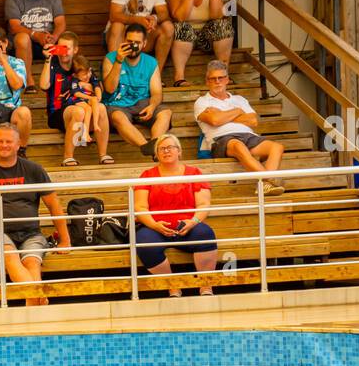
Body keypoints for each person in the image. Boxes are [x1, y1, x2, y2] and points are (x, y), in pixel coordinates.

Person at [0, 122, 70, 306]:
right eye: (0, 141)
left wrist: (65, 240)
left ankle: (33, 307)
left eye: (9, 141)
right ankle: (37, 295)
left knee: (32, 262)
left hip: (31, 233)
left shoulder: (34, 170)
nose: (4, 145)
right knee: (10, 254)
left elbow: (53, 205)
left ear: (18, 144)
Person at [134, 133, 218, 296]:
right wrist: (154, 225)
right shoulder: (148, 175)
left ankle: (205, 284)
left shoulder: (194, 173)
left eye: (170, 147)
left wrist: (193, 222)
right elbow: (140, 206)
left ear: (179, 151)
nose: (166, 151)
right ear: (156, 154)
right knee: (144, 244)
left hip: (188, 225)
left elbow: (203, 204)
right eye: (161, 149)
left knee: (205, 234)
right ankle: (172, 285)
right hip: (156, 227)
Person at [194, 61, 285, 193]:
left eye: (221, 78)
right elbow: (214, 120)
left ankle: (266, 185)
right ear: (207, 81)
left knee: (277, 147)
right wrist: (238, 111)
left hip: (248, 136)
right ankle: (269, 180)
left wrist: (222, 114)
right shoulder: (202, 101)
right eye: (213, 79)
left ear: (227, 80)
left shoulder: (239, 100)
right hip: (221, 140)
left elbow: (253, 121)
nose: (217, 81)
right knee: (238, 146)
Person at [102, 22, 173, 157]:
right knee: (117, 116)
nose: (133, 46)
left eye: (137, 42)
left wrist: (152, 106)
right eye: (129, 41)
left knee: (166, 113)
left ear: (144, 43)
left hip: (142, 103)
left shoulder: (151, 62)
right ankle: (148, 148)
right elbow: (110, 89)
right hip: (117, 104)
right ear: (123, 40)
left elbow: (157, 92)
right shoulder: (111, 58)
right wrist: (119, 61)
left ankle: (155, 145)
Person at [39, 33, 111, 166]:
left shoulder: (80, 66)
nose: (64, 52)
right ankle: (68, 157)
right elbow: (43, 85)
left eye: (67, 48)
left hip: (82, 110)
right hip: (58, 112)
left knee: (100, 108)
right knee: (78, 111)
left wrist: (86, 85)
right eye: (61, 47)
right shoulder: (53, 63)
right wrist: (48, 59)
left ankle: (103, 154)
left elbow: (96, 86)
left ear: (75, 50)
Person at [106, 0, 174, 80]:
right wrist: (138, 20)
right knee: (117, 25)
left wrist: (154, 19)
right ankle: (114, 76)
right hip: (121, 37)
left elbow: (164, 13)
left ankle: (155, 76)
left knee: (168, 27)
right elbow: (114, 15)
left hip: (143, 36)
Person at [167, 0, 234, 84]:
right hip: (185, 37)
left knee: (223, 25)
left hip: (206, 37)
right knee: (181, 26)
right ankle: (179, 78)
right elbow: (180, 17)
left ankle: (223, 74)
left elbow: (216, 16)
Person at [5, 0, 66, 87]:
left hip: (48, 42)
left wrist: (53, 37)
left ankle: (65, 83)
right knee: (23, 38)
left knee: (68, 42)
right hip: (22, 46)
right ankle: (27, 80)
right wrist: (36, 35)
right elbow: (14, 27)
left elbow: (61, 23)